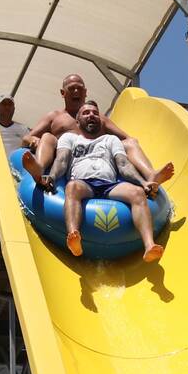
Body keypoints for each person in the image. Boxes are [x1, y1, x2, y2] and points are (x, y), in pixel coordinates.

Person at [39, 100, 164, 262]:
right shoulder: (70, 138)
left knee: (137, 193)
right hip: (84, 183)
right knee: (72, 187)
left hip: (109, 185)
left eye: (95, 113)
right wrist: (53, 177)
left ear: (100, 119)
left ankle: (149, 245)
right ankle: (73, 236)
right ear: (77, 122)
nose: (91, 115)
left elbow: (124, 165)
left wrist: (143, 182)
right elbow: (61, 161)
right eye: (86, 113)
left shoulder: (110, 140)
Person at [21, 73, 172, 188]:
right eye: (71, 88)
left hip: (94, 156)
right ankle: (39, 169)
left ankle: (150, 174)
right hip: (63, 157)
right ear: (63, 93)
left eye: (79, 88)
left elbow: (127, 138)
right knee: (47, 136)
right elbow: (27, 138)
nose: (76, 91)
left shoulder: (98, 118)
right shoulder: (55, 116)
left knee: (131, 142)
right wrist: (34, 140)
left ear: (85, 92)